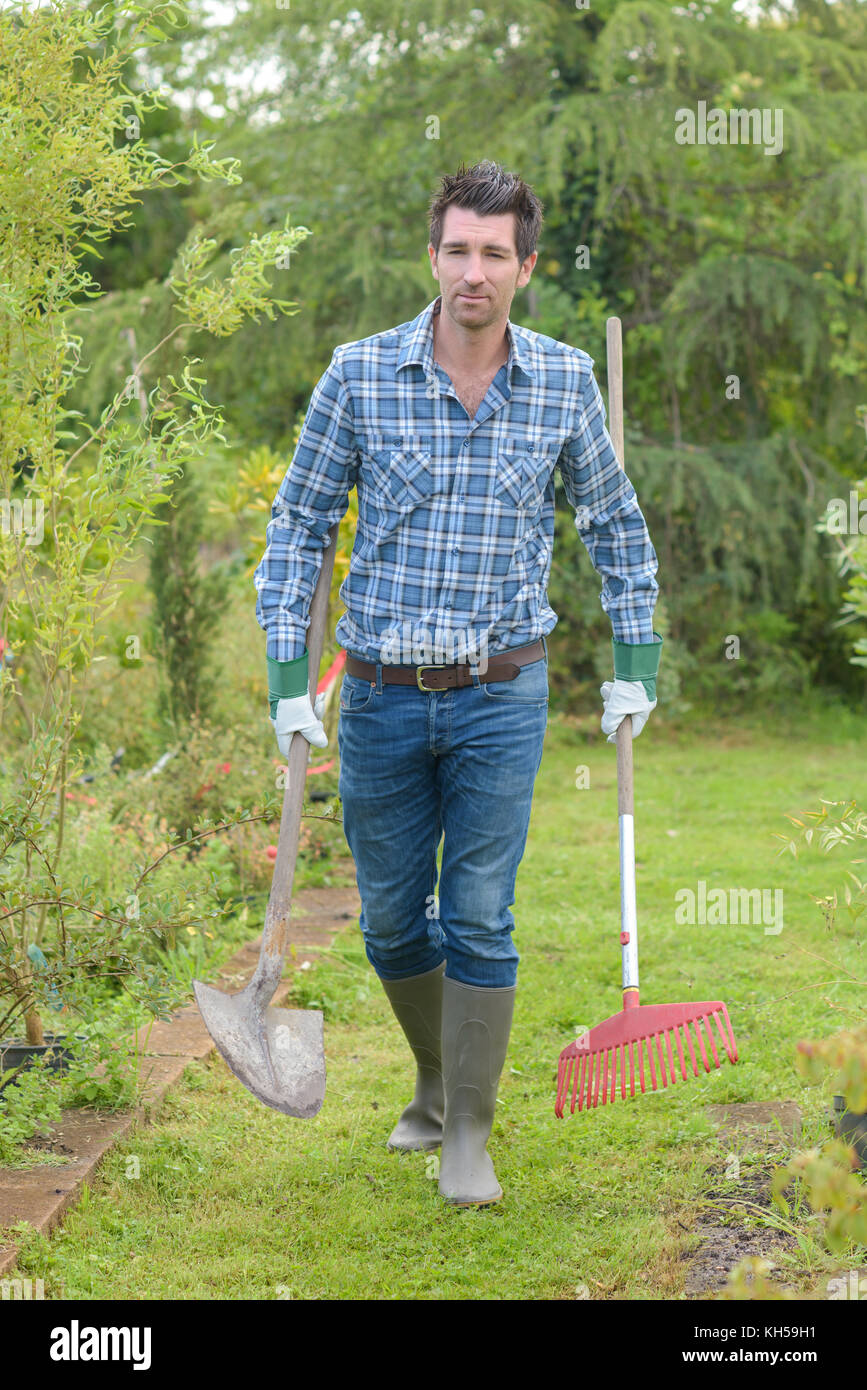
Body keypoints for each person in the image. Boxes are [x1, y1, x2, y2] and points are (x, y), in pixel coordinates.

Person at [254, 159, 662, 1207]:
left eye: (494, 252)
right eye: (456, 249)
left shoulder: (565, 381)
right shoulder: (359, 375)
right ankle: (437, 1080)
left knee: (478, 912)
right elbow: (298, 525)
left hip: (501, 688)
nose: (472, 270)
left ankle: (469, 1131)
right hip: (384, 691)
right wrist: (289, 677)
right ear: (430, 255)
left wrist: (634, 664)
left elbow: (614, 527)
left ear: (525, 266)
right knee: (393, 919)